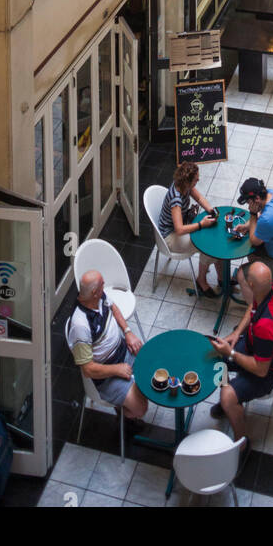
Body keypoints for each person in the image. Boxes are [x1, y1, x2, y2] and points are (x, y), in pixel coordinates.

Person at [209, 262, 273, 459]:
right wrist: (237, 333)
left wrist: (232, 353)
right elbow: (251, 307)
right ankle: (227, 402)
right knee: (216, 360)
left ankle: (242, 443)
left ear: (252, 287)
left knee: (228, 396)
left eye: (242, 283)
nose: (239, 287)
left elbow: (261, 370)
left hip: (269, 370)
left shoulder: (265, 326)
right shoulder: (271, 290)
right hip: (259, 349)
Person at [66, 270, 147, 421]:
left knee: (152, 372)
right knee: (141, 408)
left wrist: (128, 332)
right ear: (94, 292)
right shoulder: (80, 326)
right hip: (107, 374)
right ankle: (123, 414)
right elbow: (88, 370)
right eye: (102, 284)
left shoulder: (99, 297)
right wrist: (116, 369)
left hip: (123, 350)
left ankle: (131, 391)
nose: (105, 286)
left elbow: (114, 307)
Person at [157, 160, 223, 297]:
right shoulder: (176, 199)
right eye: (196, 180)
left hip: (180, 226)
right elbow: (179, 229)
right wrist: (201, 225)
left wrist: (211, 211)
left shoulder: (184, 185)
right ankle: (201, 281)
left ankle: (222, 278)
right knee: (207, 246)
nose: (198, 180)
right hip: (170, 236)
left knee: (213, 237)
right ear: (187, 181)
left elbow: (199, 197)